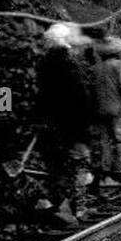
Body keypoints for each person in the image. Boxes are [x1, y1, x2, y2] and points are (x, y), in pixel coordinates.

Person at [35, 24, 94, 224]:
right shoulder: (71, 65)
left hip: (50, 126)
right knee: (80, 165)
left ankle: (60, 206)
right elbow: (81, 98)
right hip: (74, 126)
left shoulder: (42, 65)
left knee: (57, 168)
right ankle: (80, 208)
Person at [91, 36, 121, 185]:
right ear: (117, 52)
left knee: (104, 141)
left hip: (99, 110)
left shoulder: (96, 68)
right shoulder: (118, 66)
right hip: (117, 109)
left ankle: (105, 173)